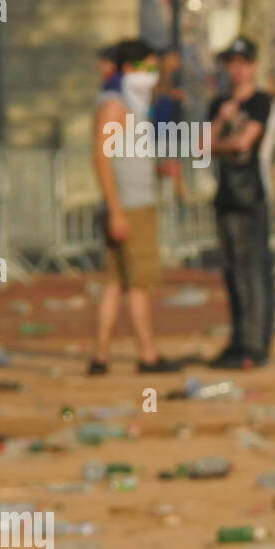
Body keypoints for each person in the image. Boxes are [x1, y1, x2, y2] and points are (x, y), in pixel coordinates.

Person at [88, 38, 180, 375]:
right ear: (129, 68)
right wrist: (115, 210)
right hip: (130, 208)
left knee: (115, 283)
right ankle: (148, 356)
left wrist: (158, 168)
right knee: (139, 284)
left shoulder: (135, 104)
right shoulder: (116, 106)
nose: (154, 74)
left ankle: (100, 357)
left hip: (131, 203)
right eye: (148, 67)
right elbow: (101, 157)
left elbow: (128, 155)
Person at [207, 37, 275, 369]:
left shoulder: (263, 102)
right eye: (230, 63)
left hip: (253, 196)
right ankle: (237, 340)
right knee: (232, 271)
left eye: (242, 62)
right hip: (225, 197)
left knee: (254, 271)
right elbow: (202, 144)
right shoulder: (218, 103)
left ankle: (256, 342)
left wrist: (222, 140)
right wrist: (222, 120)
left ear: (252, 65)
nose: (236, 69)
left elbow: (244, 141)